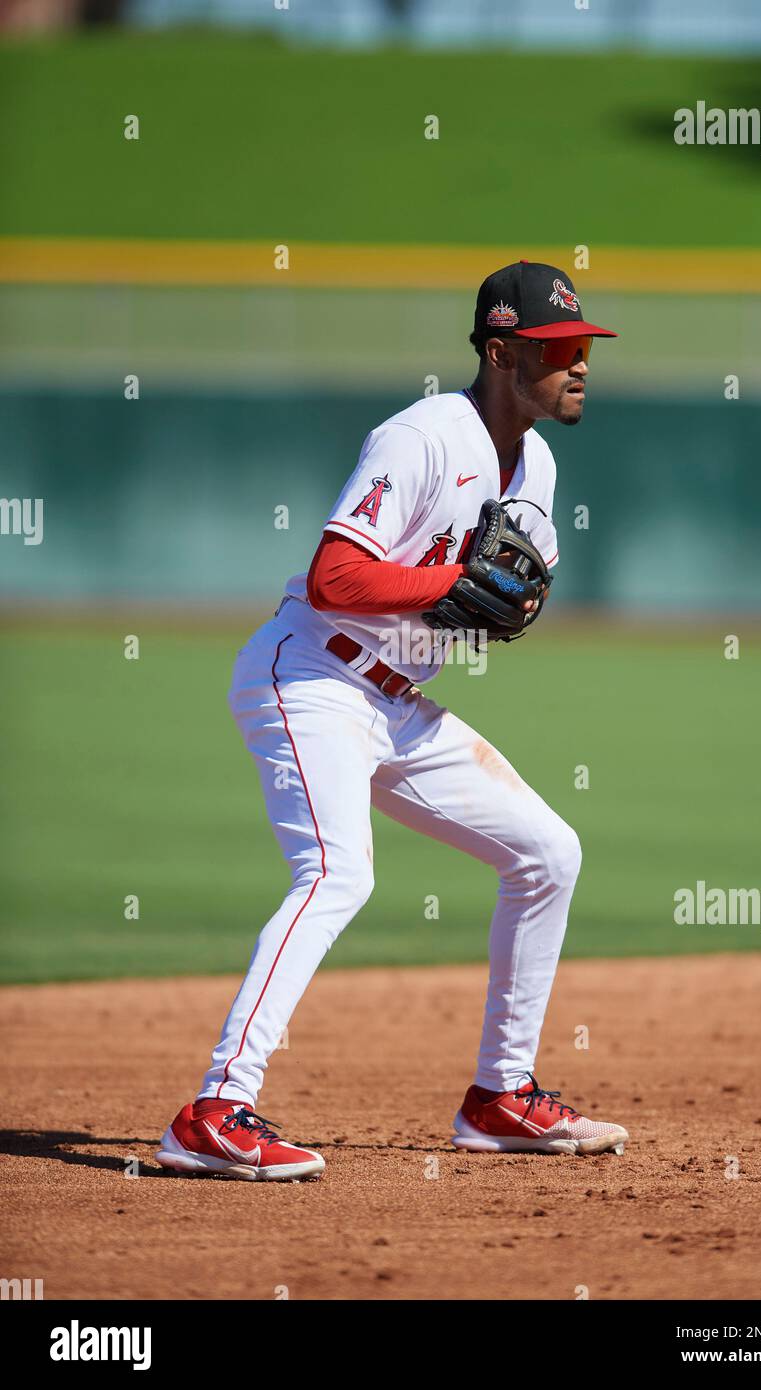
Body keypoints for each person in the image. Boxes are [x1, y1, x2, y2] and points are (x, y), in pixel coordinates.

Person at [156, 260, 629, 1181]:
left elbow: (512, 592)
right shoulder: (419, 437)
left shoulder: (537, 458)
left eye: (581, 348)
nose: (578, 364)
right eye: (556, 349)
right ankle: (213, 1109)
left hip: (397, 702)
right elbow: (337, 577)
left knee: (548, 853)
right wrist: (453, 586)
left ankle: (500, 1098)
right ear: (501, 352)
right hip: (311, 679)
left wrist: (510, 608)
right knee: (337, 873)